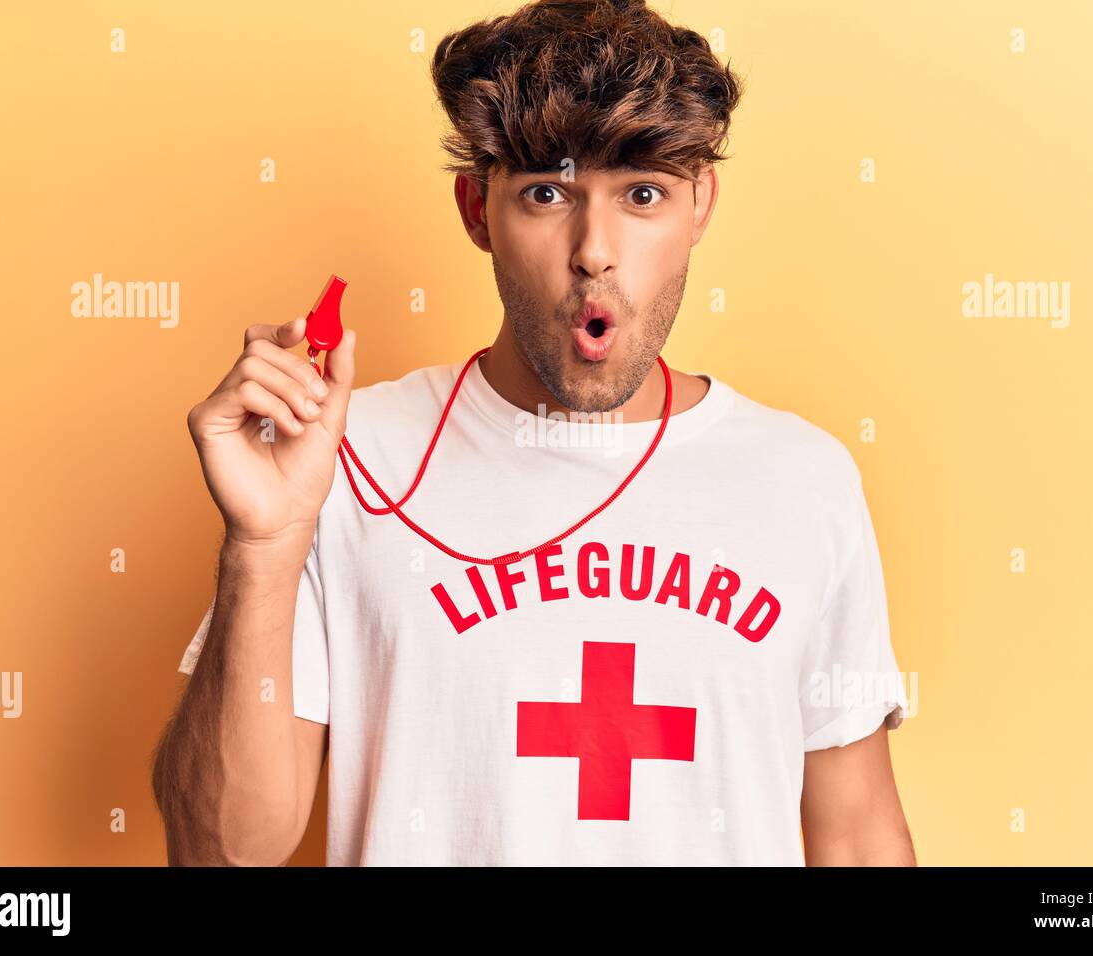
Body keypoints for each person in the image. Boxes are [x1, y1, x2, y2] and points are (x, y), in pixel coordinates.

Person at [153, 0, 913, 866]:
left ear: (700, 205)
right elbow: (219, 855)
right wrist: (266, 541)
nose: (594, 250)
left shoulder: (802, 481)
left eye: (643, 194)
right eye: (546, 194)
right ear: (477, 210)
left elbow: (854, 838)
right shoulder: (341, 460)